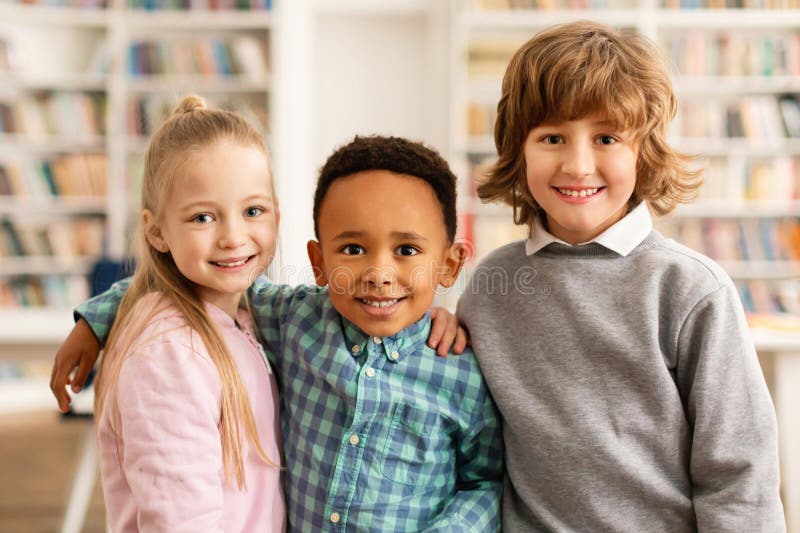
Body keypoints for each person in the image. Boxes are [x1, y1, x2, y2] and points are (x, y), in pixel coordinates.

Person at [52, 135, 503, 531]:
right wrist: (97, 319)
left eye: (407, 250)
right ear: (318, 260)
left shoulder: (461, 371)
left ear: (449, 265)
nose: (379, 273)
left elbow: (484, 480)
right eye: (352, 249)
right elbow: (197, 279)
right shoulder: (295, 320)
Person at [456, 20, 786, 532]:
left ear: (643, 149)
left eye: (606, 137)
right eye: (552, 137)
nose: (578, 164)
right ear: (517, 149)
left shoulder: (690, 289)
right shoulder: (491, 284)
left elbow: (738, 475)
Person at [91, 95, 285, 531]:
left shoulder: (247, 314)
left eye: (253, 210)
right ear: (156, 230)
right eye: (202, 218)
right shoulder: (171, 356)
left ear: (277, 214)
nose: (233, 237)